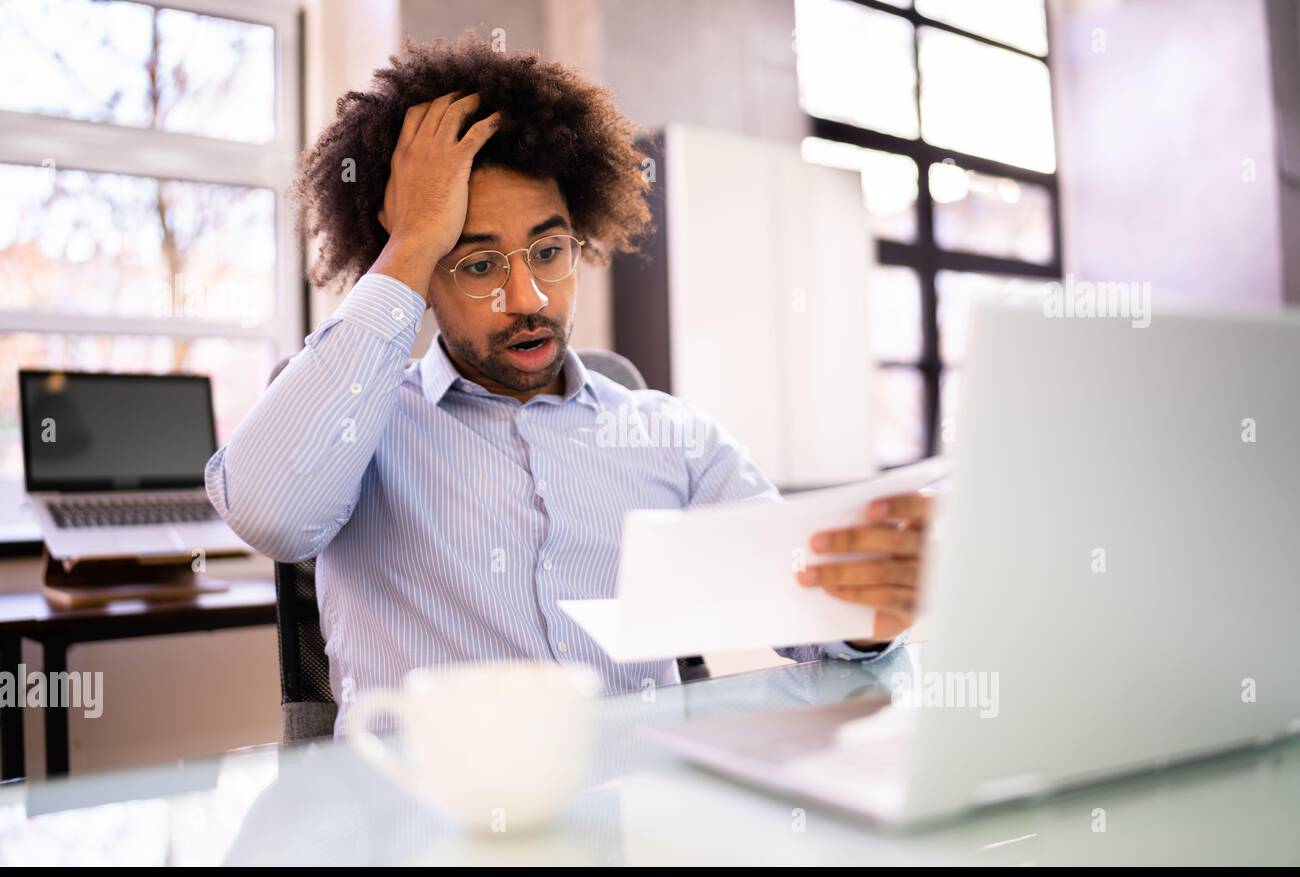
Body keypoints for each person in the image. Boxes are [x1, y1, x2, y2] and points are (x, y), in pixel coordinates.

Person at [205, 36, 931, 735]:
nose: (527, 297)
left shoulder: (672, 438)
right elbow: (271, 514)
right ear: (421, 275)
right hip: (426, 834)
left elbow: (806, 609)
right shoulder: (357, 430)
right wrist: (413, 240)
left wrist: (864, 611)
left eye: (548, 252)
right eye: (479, 264)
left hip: (640, 832)